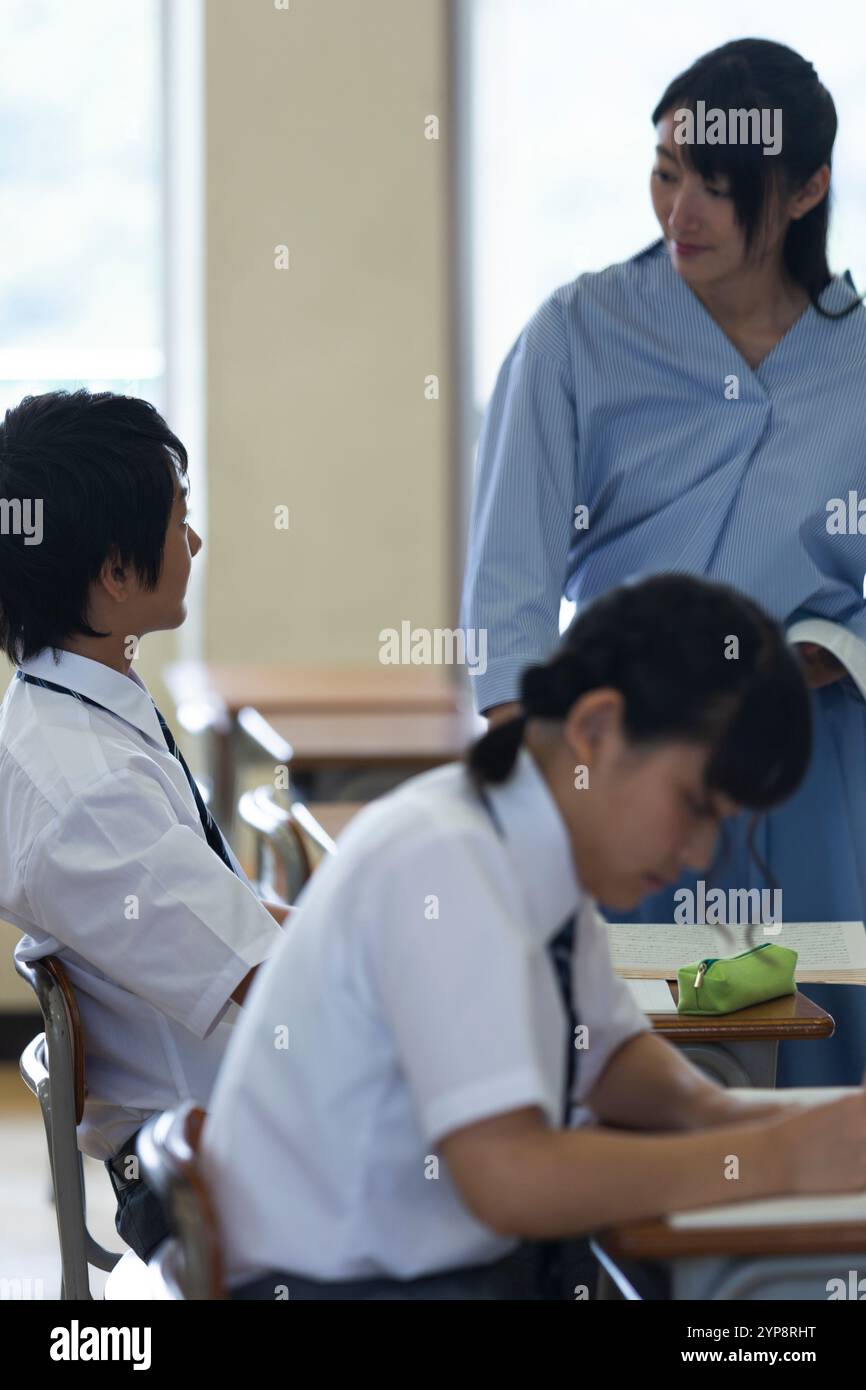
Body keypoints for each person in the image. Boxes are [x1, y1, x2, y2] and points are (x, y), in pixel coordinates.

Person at [203, 574, 866, 1301]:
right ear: (597, 730)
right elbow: (509, 1179)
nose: (701, 855)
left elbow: (610, 1054)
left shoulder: (523, 845)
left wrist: (725, 1113)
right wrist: (774, 1158)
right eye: (693, 805)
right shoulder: (446, 863)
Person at [460, 38, 866, 1086]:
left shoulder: (856, 358)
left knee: (816, 1071)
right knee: (634, 1067)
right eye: (664, 172)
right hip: (628, 767)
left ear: (807, 188)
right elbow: (503, 605)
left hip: (817, 774)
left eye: (718, 189)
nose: (679, 212)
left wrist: (828, 651)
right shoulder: (575, 337)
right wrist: (541, 808)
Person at [0, 389, 285, 1260]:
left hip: (232, 1132)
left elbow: (242, 930)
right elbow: (274, 983)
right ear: (117, 573)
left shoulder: (67, 707)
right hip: (219, 1183)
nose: (193, 544)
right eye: (178, 521)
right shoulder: (88, 794)